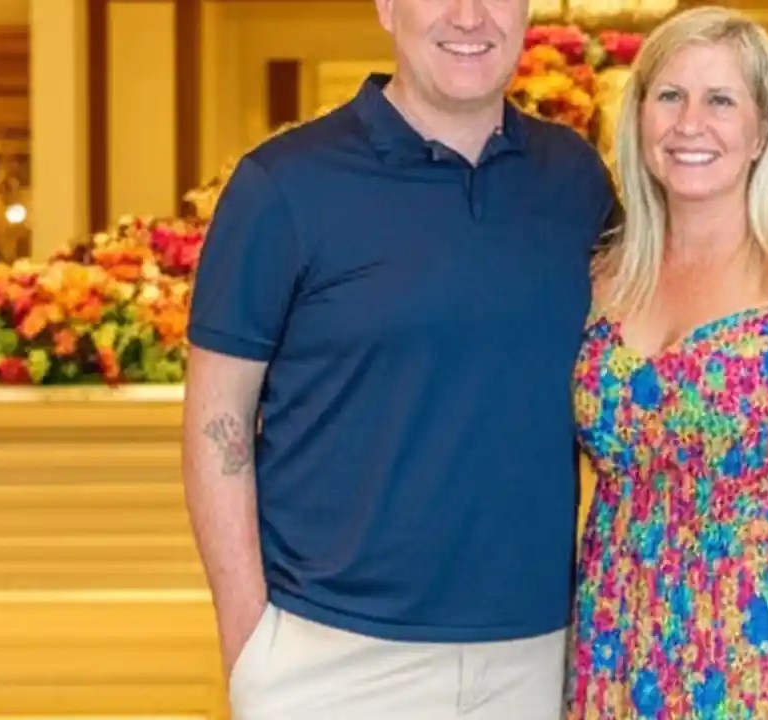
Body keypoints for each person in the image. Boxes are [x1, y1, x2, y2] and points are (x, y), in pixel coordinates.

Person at [179, 0, 617, 714]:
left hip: (538, 655)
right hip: (332, 654)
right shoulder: (281, 186)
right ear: (386, 6)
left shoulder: (575, 181)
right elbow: (215, 417)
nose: (470, 16)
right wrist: (251, 640)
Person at [565, 7, 768, 719]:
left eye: (720, 101)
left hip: (754, 670)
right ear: (639, 117)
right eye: (669, 96)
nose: (690, 125)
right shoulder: (599, 284)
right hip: (611, 657)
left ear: (762, 132)